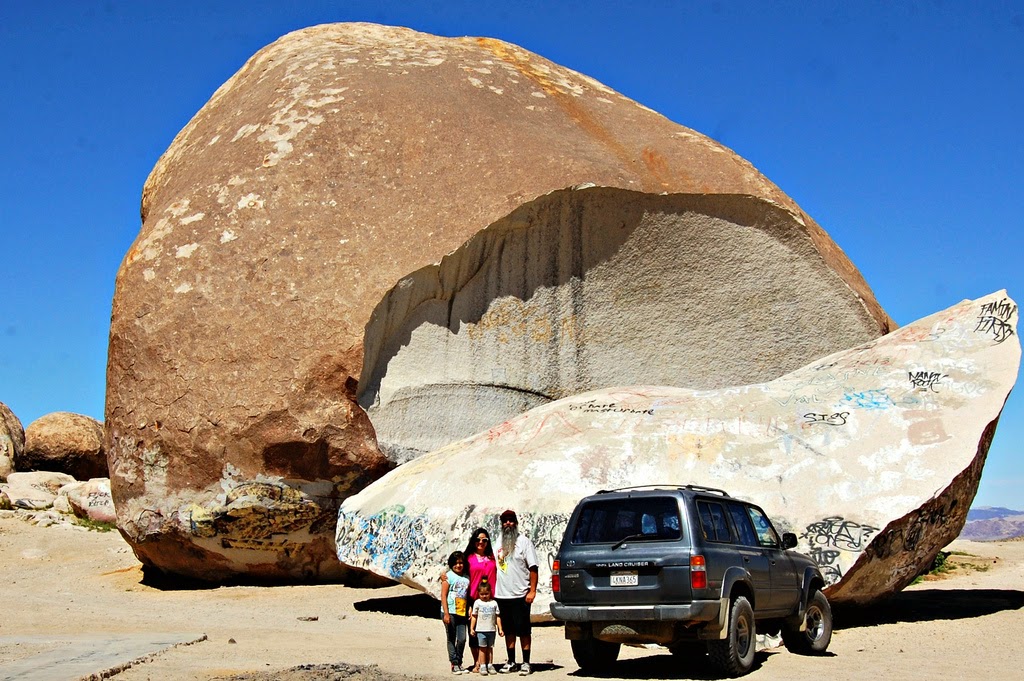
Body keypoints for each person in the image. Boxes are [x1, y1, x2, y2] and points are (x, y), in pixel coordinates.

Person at [494, 510, 539, 676]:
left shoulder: (524, 542)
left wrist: (532, 591)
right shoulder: (497, 542)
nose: (508, 523)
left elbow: (533, 568)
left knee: (524, 630)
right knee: (509, 630)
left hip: (520, 594)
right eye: (505, 521)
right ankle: (511, 661)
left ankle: (526, 662)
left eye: (511, 520)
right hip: (502, 594)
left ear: (515, 522)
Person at [463, 528, 497, 672]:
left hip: (490, 600)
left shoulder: (493, 557)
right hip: (473, 599)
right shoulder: (468, 558)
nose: (481, 543)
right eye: (478, 540)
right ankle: (477, 662)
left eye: (484, 540)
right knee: (474, 632)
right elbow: (457, 571)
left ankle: (488, 662)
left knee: (488, 631)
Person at [441, 551, 471, 675]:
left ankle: (459, 661)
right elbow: (443, 595)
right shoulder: (448, 577)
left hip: (461, 611)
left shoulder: (466, 577)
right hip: (450, 611)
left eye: (461, 563)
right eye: (456, 563)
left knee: (462, 639)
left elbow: (467, 595)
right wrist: (446, 613)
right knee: (451, 638)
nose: (458, 565)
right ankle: (454, 663)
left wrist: (469, 608)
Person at [469, 581, 503, 675]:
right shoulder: (477, 603)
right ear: (478, 593)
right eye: (482, 594)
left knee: (490, 648)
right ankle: (482, 665)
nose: (484, 596)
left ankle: (490, 665)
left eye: (486, 594)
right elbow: (474, 616)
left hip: (491, 630)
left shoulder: (494, 603)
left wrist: (500, 628)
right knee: (482, 648)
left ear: (490, 592)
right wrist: (472, 628)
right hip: (481, 630)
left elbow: (497, 616)